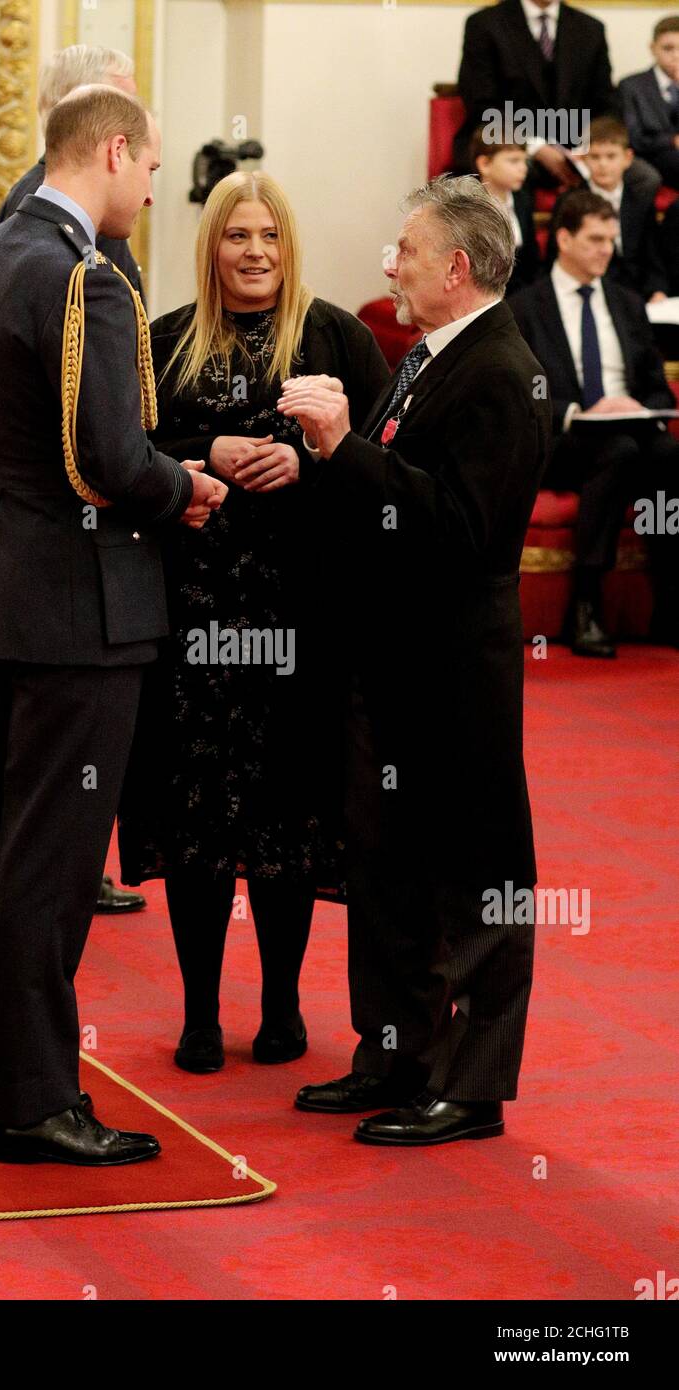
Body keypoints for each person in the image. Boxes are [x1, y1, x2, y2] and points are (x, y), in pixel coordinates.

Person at [0, 85, 226, 1165]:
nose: (154, 188)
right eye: (150, 168)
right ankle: (35, 1103)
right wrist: (186, 487)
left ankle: (17, 1079)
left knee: (10, 843)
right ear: (111, 151)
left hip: (16, 584)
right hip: (86, 605)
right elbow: (112, 462)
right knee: (52, 863)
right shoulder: (87, 282)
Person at [279, 175, 550, 1146]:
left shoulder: (499, 372)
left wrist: (342, 445)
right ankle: (392, 1053)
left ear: (456, 266)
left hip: (454, 675)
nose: (386, 265)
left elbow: (458, 532)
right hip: (391, 666)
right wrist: (324, 457)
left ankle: (469, 1087)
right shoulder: (432, 357)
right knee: (385, 867)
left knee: (474, 875)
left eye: (403, 250)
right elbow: (388, 497)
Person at [117, 171, 391, 1075]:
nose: (255, 252)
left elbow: (387, 461)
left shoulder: (335, 337)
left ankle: (280, 1005)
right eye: (237, 236)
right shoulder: (162, 343)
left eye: (269, 235)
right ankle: (199, 1013)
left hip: (299, 614)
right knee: (196, 815)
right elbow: (119, 456)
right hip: (192, 621)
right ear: (212, 247)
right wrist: (205, 453)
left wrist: (310, 462)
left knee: (288, 814)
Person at [0, 43, 147, 917]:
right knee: (43, 804)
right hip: (72, 561)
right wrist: (178, 483)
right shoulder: (62, 244)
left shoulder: (26, 231)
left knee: (28, 798)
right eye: (120, 110)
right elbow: (101, 438)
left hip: (34, 556)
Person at [511, 189, 679, 656]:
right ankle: (587, 602)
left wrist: (635, 404)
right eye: (595, 239)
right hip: (563, 439)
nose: (607, 248)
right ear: (563, 238)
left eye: (611, 238)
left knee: (668, 455)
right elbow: (520, 394)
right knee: (618, 451)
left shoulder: (627, 303)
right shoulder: (525, 308)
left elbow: (657, 385)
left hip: (628, 429)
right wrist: (578, 411)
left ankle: (669, 601)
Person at [454, 0, 660, 198]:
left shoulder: (590, 28)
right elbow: (481, 105)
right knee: (513, 172)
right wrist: (536, 147)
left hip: (577, 147)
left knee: (643, 178)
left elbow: (605, 103)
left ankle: (609, 234)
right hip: (509, 143)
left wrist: (587, 149)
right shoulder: (485, 24)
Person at [0, 44, 143, 298]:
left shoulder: (45, 192)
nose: (138, 121)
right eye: (123, 107)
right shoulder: (67, 203)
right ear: (78, 109)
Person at [546, 117, 669, 303]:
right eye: (595, 157)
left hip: (639, 294)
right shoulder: (568, 202)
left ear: (627, 158)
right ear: (583, 159)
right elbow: (556, 258)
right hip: (590, 291)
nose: (603, 164)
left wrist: (658, 290)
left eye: (611, 156)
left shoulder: (640, 199)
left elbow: (653, 256)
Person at [469, 126, 540, 295]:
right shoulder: (470, 207)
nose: (523, 168)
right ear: (484, 164)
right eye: (514, 161)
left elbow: (532, 258)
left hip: (521, 292)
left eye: (525, 161)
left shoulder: (523, 200)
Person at [619, 15, 679, 190]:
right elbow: (633, 137)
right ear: (653, 48)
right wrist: (672, 141)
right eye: (668, 48)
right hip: (650, 156)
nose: (676, 55)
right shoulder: (632, 86)